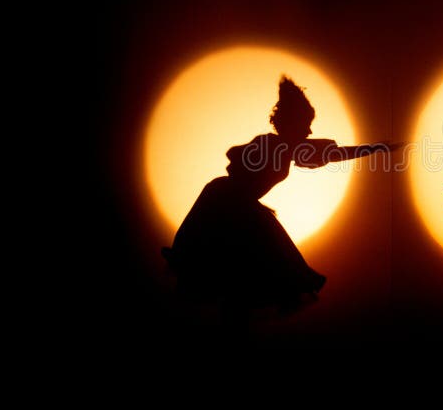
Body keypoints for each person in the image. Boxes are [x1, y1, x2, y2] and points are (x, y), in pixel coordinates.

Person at [162, 75, 399, 323]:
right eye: (306, 123)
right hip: (225, 204)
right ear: (290, 123)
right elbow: (234, 155)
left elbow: (335, 154)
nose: (309, 130)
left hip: (240, 207)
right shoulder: (271, 144)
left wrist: (376, 148)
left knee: (242, 277)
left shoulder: (289, 150)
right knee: (238, 272)